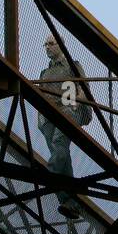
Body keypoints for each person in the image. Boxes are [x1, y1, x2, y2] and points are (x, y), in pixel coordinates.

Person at [37, 32, 91, 219]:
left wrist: (80, 101)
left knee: (60, 145)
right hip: (47, 117)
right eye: (46, 44)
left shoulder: (73, 65)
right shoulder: (44, 73)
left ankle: (48, 174)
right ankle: (70, 202)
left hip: (67, 111)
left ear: (60, 45)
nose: (48, 47)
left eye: (51, 43)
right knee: (63, 157)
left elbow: (83, 88)